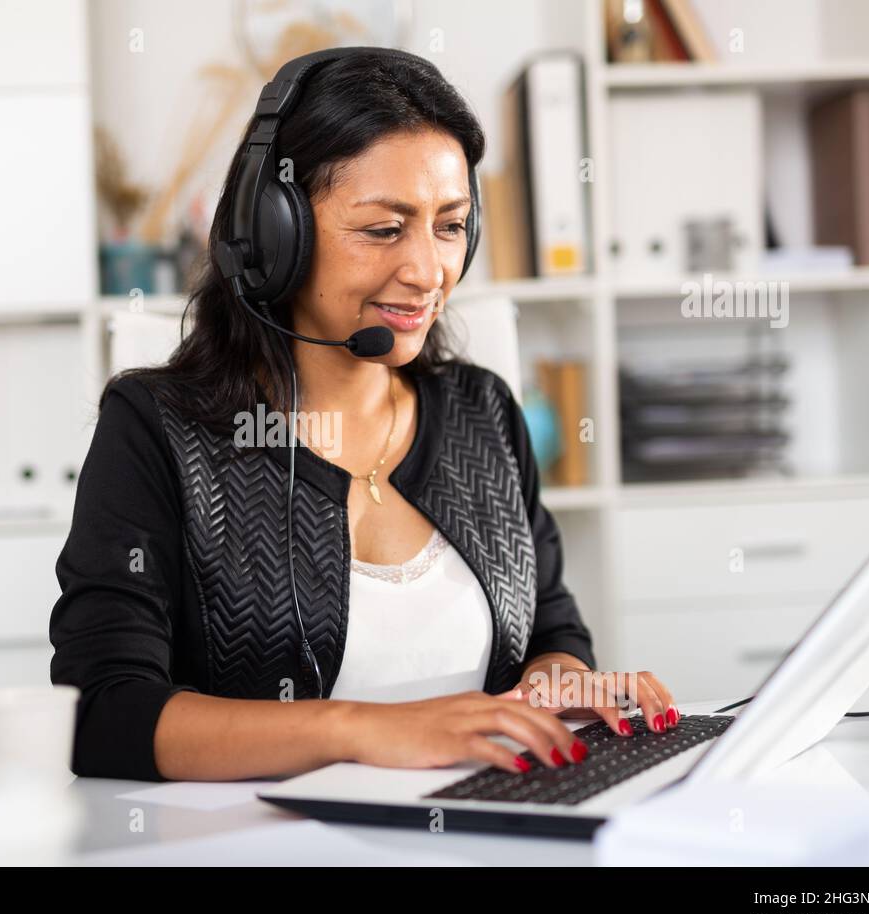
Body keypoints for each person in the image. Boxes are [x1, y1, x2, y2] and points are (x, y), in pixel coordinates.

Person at [49, 48, 679, 782]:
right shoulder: (155, 430)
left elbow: (552, 624)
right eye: (384, 229)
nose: (426, 271)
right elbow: (103, 713)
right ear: (275, 234)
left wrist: (558, 682)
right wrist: (365, 730)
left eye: (450, 225)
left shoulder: (484, 413)